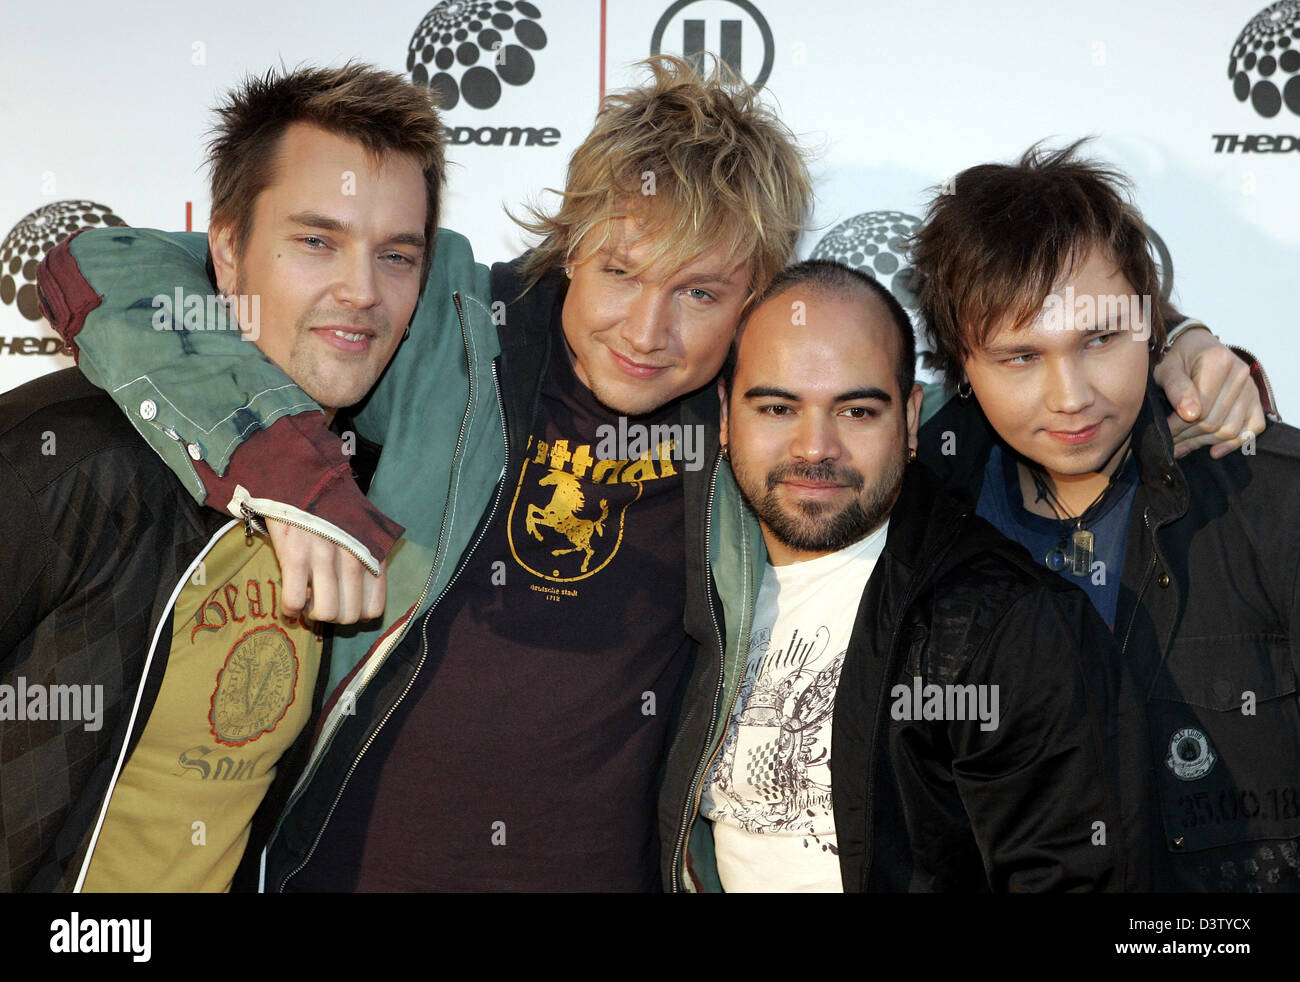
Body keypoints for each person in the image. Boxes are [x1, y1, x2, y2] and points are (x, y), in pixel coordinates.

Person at [37, 57, 1266, 890]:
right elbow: (108, 269)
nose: (646, 327)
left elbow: (1015, 364)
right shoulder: (444, 319)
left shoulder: (771, 422)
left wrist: (1170, 343)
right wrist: (288, 465)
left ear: (757, 297)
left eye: (701, 293)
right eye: (618, 269)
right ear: (570, 240)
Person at [0, 62, 443, 891]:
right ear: (229, 253)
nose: (362, 290)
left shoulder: (374, 486)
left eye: (397, 255)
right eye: (317, 240)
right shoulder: (63, 459)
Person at [658, 259, 1146, 891]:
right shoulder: (690, 580)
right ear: (725, 416)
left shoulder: (1001, 624)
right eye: (778, 408)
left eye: (857, 412)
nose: (816, 448)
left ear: (912, 420)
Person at [911, 141, 1300, 891]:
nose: (1071, 396)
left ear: (1151, 325)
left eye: (1099, 339)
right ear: (960, 364)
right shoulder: (911, 522)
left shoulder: (1273, 502)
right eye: (1020, 357)